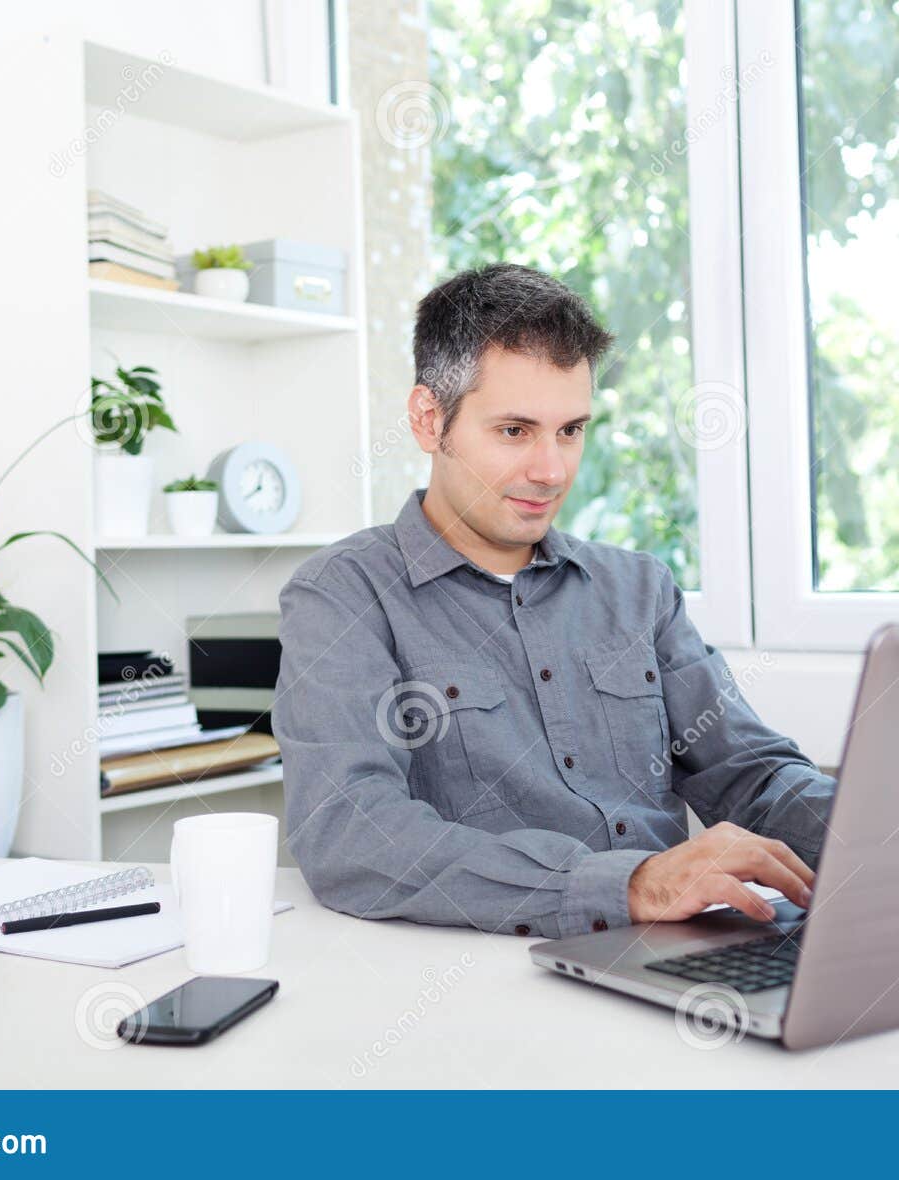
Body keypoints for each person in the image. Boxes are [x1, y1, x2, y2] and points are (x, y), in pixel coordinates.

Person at [273, 263, 836, 939]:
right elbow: (350, 835)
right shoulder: (342, 596)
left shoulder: (639, 591)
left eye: (571, 430)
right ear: (429, 420)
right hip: (484, 977)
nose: (552, 470)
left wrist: (896, 830)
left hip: (671, 957)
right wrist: (627, 885)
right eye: (515, 431)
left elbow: (749, 773)